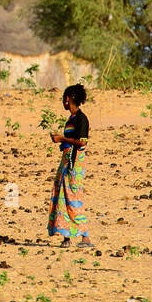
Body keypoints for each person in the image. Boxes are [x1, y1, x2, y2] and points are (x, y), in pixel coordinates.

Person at [48, 83, 93, 247]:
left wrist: (61, 139)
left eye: (63, 99)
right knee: (62, 196)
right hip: (66, 161)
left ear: (67, 99)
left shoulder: (81, 118)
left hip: (75, 163)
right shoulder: (72, 119)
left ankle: (85, 236)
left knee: (73, 197)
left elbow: (81, 142)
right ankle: (66, 236)